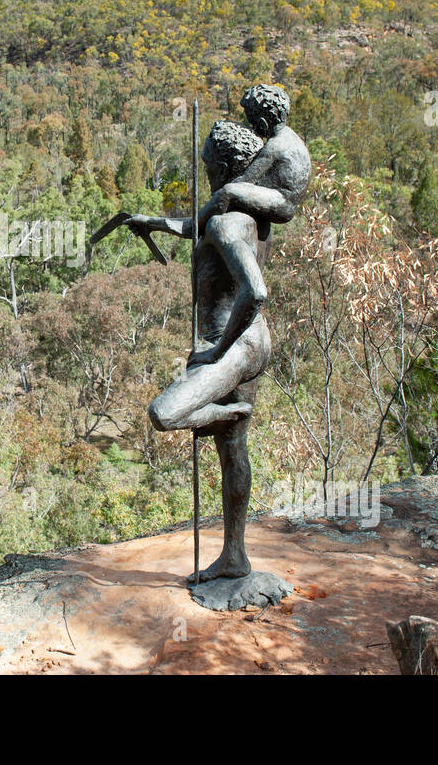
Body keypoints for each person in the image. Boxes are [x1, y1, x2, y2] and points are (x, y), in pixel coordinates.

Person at [122, 85, 311, 582]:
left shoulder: (229, 225)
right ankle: (235, 555)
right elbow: (195, 224)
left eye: (208, 165)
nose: (204, 171)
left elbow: (256, 292)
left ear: (223, 170)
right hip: (243, 343)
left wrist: (217, 354)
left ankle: (229, 409)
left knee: (164, 414)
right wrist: (153, 223)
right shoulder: (239, 216)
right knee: (233, 454)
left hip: (237, 347)